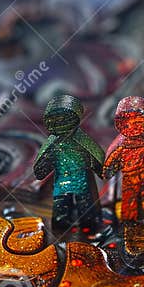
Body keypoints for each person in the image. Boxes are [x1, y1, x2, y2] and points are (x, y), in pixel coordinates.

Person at [34, 95, 105, 234]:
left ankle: (88, 224)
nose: (60, 123)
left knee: (87, 210)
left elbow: (95, 155)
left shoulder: (80, 140)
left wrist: (101, 169)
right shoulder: (53, 143)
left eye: (63, 120)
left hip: (82, 182)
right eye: (55, 120)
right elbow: (42, 163)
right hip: (62, 182)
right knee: (61, 209)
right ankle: (63, 225)